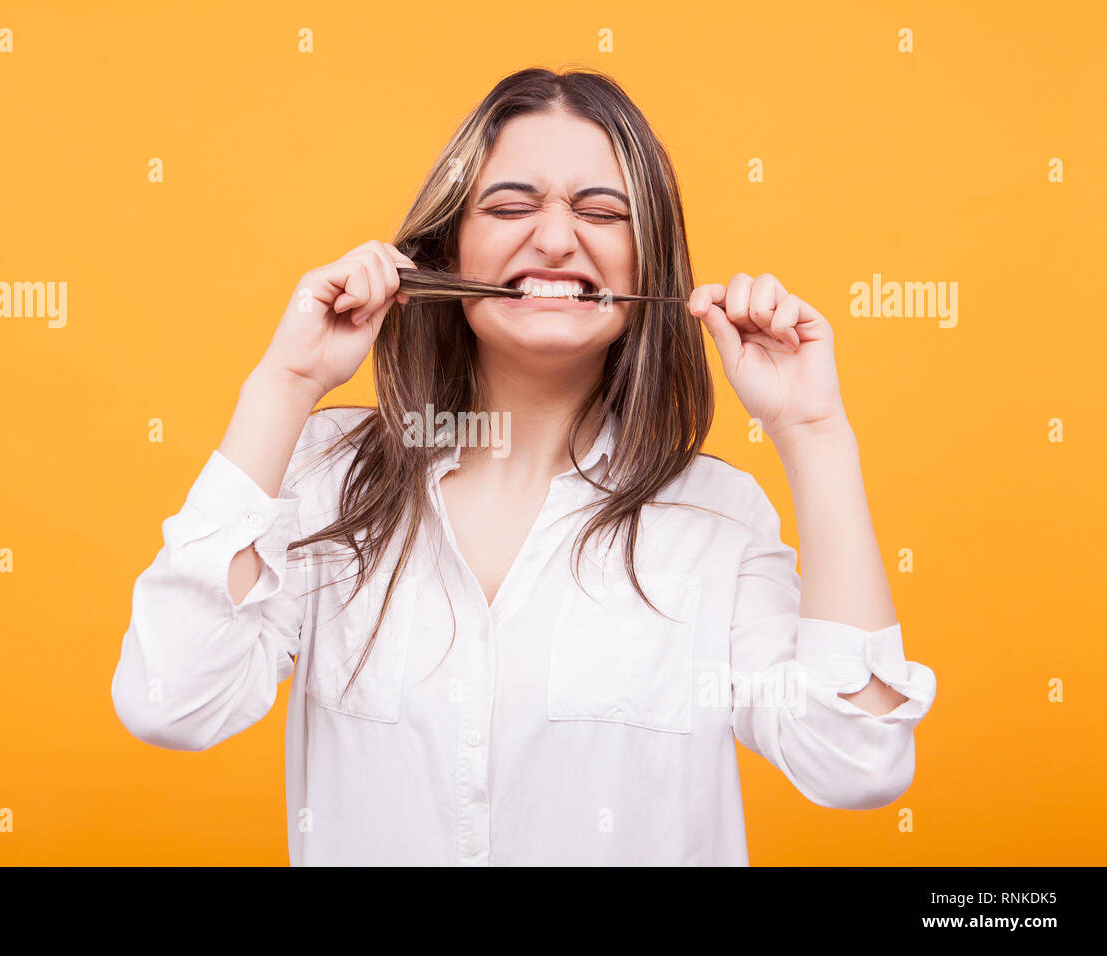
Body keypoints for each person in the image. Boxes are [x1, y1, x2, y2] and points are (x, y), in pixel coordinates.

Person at [110, 66, 937, 866]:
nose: (553, 237)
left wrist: (815, 432)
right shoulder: (328, 477)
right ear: (449, 246)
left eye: (601, 211)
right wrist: (284, 385)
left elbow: (856, 761)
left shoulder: (717, 517)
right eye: (510, 205)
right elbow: (173, 701)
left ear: (650, 264)